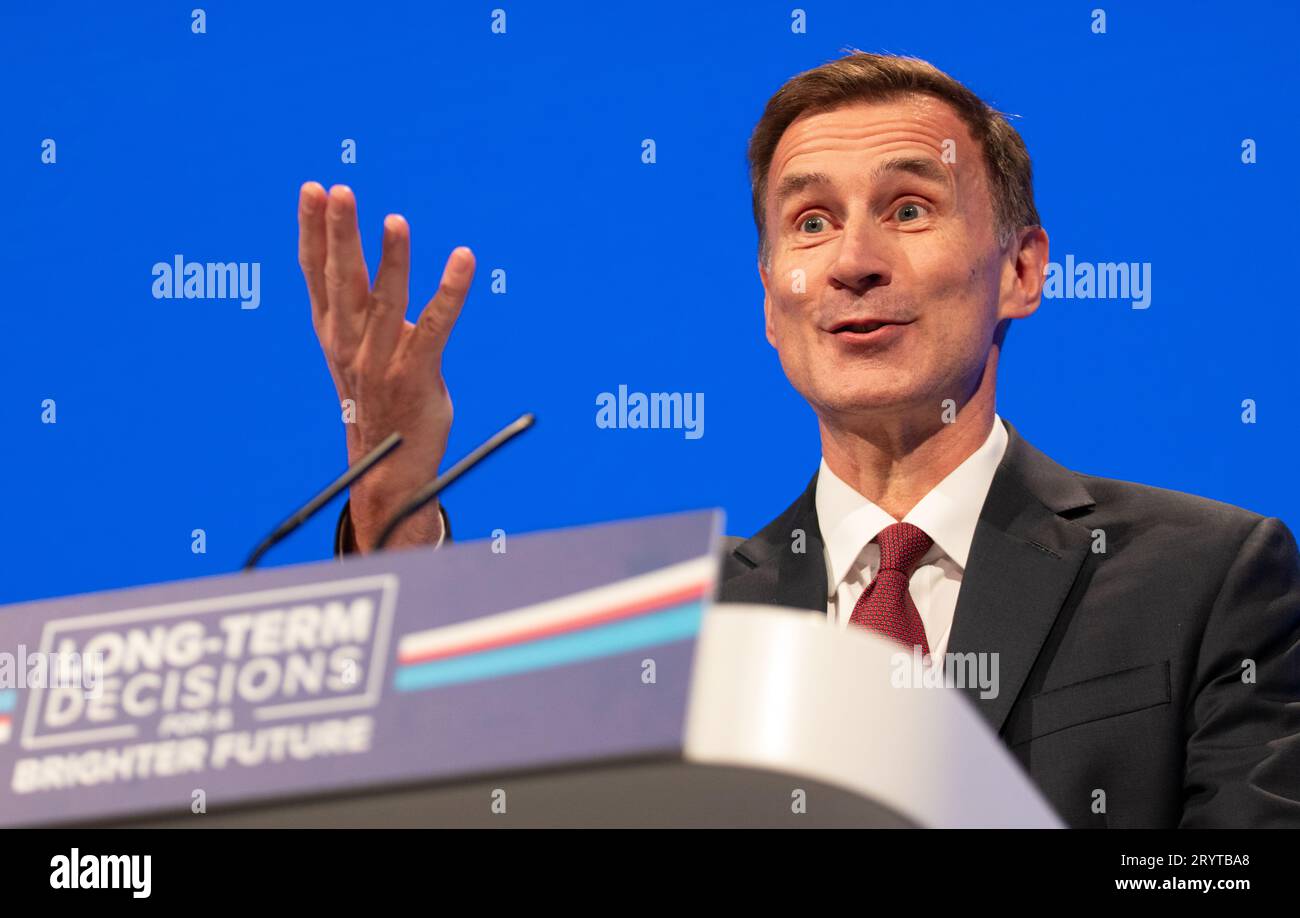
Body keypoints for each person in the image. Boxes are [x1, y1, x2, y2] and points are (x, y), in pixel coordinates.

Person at [295, 51, 1300, 828]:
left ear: (1021, 271)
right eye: (809, 224)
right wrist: (391, 495)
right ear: (773, 306)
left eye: (909, 209)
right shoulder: (683, 639)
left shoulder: (1206, 579)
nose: (853, 262)